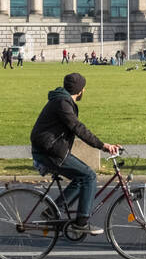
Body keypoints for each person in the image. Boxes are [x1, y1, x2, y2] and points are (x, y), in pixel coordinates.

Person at [29, 72, 121, 234]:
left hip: (51, 149)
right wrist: (103, 146)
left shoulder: (61, 100)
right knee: (89, 176)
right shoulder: (62, 104)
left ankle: (53, 210)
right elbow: (78, 128)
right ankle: (82, 222)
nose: (84, 91)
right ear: (79, 91)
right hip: (49, 151)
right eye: (83, 89)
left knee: (81, 178)